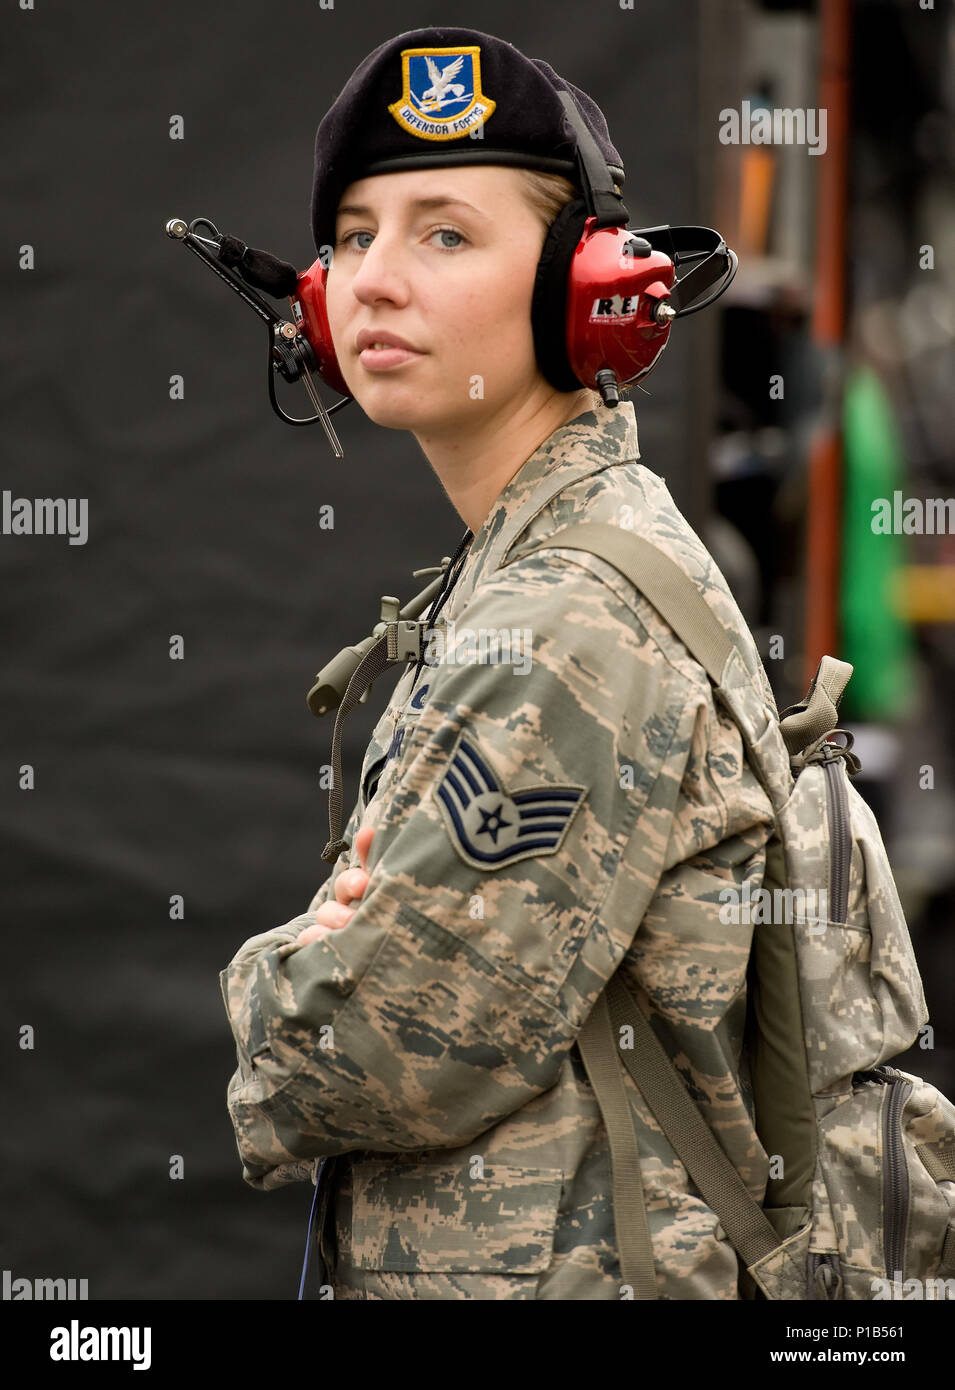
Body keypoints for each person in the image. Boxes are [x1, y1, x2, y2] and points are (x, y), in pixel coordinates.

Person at [219, 25, 780, 1300]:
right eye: (354, 234)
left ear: (586, 286)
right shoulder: (531, 561)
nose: (372, 280)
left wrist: (270, 975)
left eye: (446, 233)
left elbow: (365, 1046)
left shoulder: (569, 612)